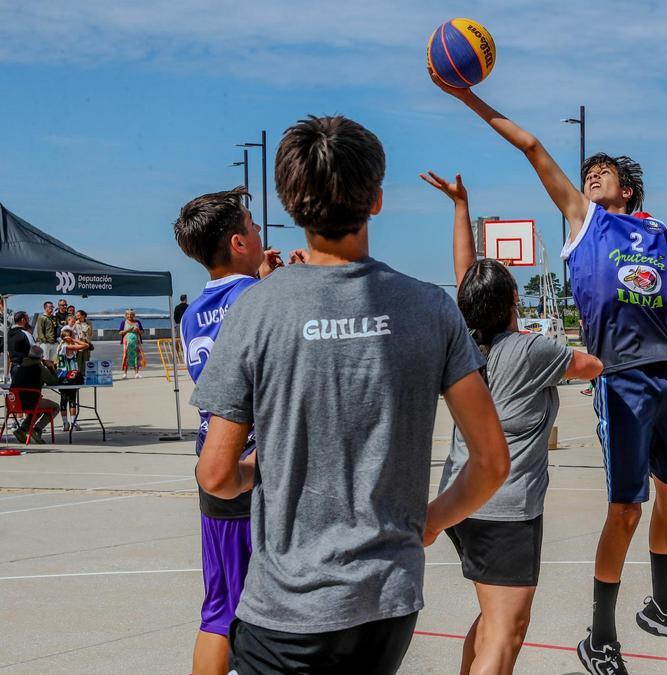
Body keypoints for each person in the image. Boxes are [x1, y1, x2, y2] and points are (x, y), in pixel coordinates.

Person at [433, 72, 667, 672]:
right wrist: (466, 96)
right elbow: (535, 147)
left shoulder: (658, 234)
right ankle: (601, 635)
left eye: (604, 172)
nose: (592, 175)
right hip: (621, 381)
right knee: (626, 510)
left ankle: (662, 606)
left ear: (629, 188)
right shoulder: (584, 221)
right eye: (589, 172)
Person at [192, 115, 510, 673]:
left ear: (290, 206)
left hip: (287, 606)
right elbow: (490, 462)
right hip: (387, 601)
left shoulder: (256, 310)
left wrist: (263, 466)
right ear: (378, 200)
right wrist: (432, 520)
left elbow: (215, 474)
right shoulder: (429, 308)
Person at [423, 170, 604, 674]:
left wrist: (461, 207)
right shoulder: (532, 350)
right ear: (513, 304)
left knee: (491, 619)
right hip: (506, 509)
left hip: (460, 499)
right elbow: (591, 366)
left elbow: (466, 279)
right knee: (508, 631)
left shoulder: (463, 340)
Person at [173, 184, 293, 675]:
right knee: (280, 611)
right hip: (261, 466)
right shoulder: (266, 298)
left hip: (214, 462)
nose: (261, 231)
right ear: (239, 243)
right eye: (254, 225)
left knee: (220, 609)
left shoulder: (190, 316)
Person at [10, 345, 60, 444]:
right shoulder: (39, 368)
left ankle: (23, 428)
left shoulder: (19, 367)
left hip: (15, 403)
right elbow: (53, 382)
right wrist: (51, 368)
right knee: (55, 407)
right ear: (41, 357)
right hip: (30, 402)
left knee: (37, 406)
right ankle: (37, 430)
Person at [118, 309, 145, 379]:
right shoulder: (123, 322)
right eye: (128, 314)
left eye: (131, 314)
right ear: (126, 315)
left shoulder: (137, 322)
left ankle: (136, 373)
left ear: (134, 315)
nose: (130, 316)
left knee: (137, 357)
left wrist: (138, 330)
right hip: (126, 342)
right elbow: (120, 332)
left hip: (136, 341)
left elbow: (142, 332)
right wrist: (128, 330)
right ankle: (125, 373)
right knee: (126, 356)